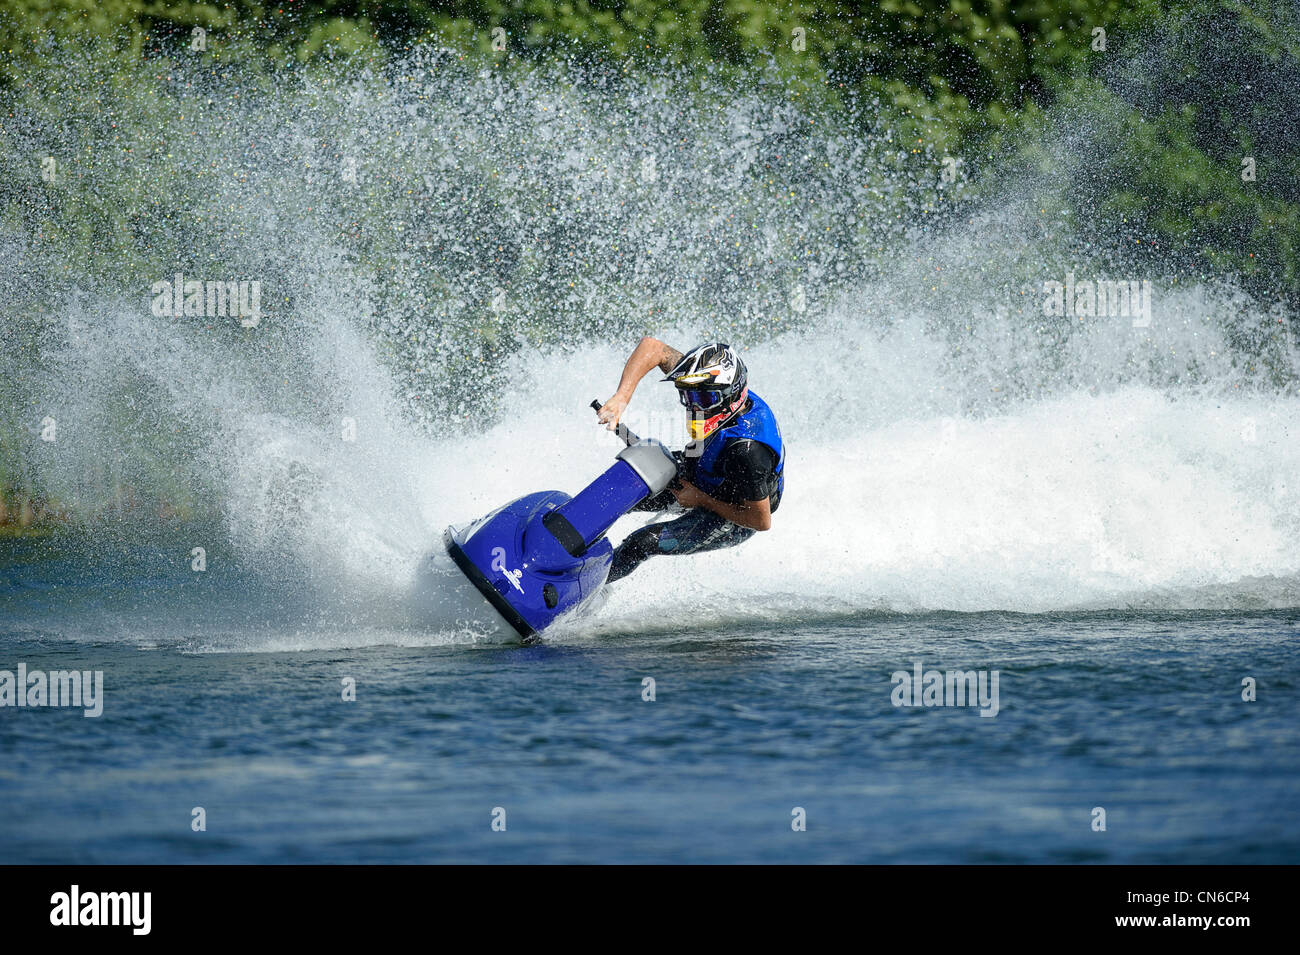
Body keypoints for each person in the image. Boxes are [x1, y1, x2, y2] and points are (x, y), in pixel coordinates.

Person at [597, 338, 784, 582]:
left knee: (642, 542)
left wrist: (700, 499)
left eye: (703, 401)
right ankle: (568, 545)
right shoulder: (710, 383)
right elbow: (654, 348)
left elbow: (760, 520)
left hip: (734, 512)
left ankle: (585, 594)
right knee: (618, 494)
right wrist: (622, 397)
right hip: (705, 470)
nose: (694, 407)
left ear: (731, 395)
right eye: (688, 396)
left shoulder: (748, 452)